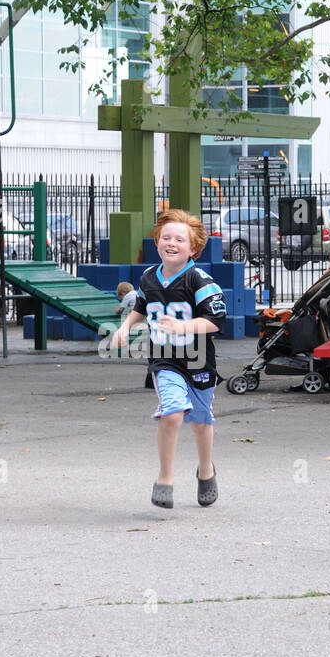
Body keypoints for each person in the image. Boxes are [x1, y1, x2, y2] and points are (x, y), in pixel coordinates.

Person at [111, 209, 227, 510]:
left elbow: (216, 320)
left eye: (179, 239)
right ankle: (165, 477)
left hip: (198, 361)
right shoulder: (148, 276)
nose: (171, 243)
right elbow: (141, 305)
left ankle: (206, 471)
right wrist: (125, 327)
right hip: (165, 361)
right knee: (172, 412)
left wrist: (183, 327)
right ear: (157, 241)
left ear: (193, 249)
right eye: (166, 237)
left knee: (201, 423)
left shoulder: (199, 279)